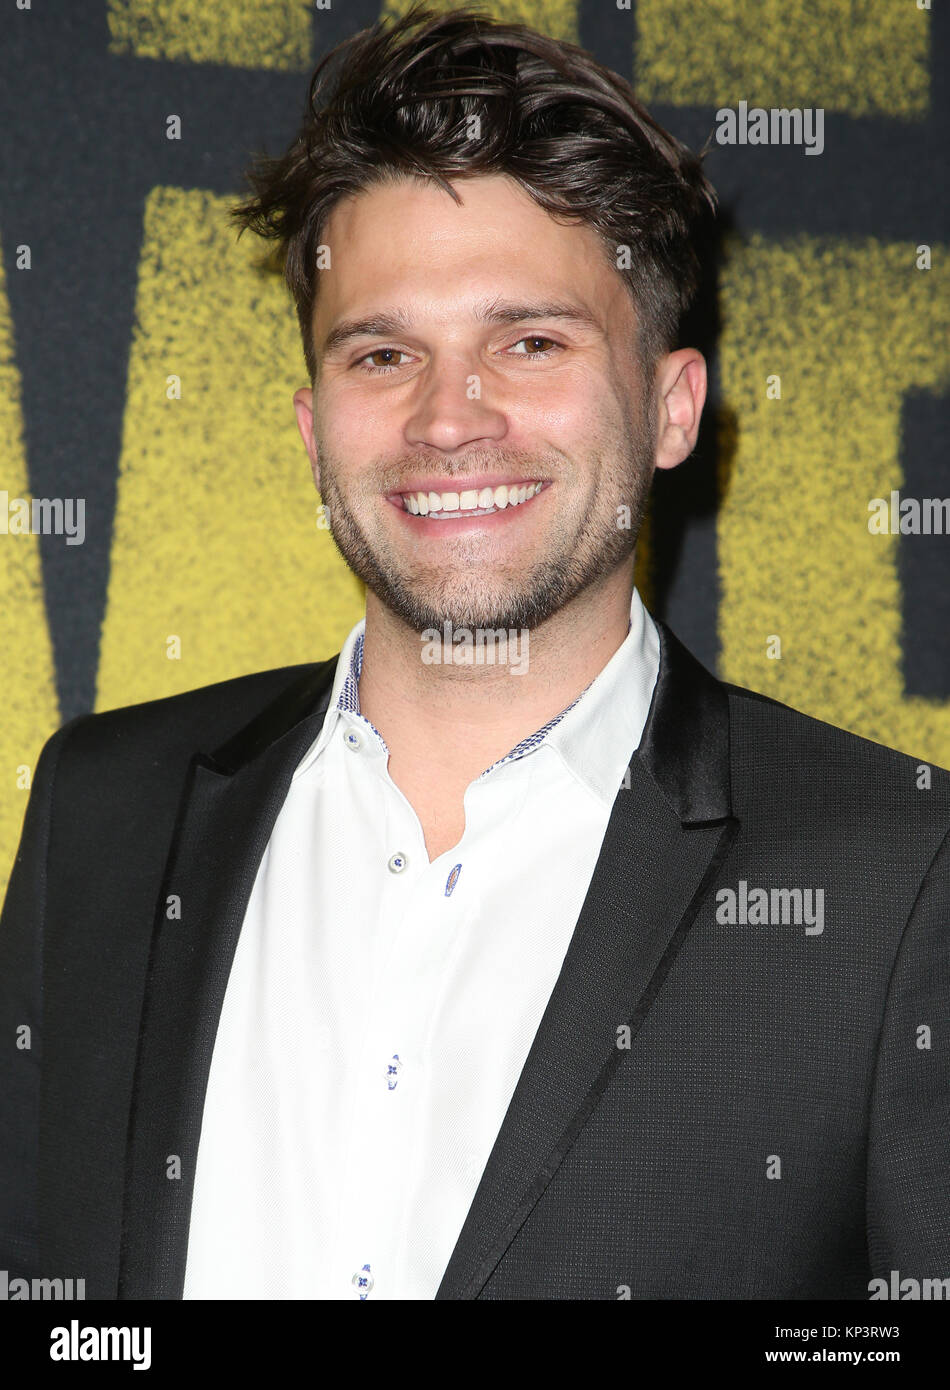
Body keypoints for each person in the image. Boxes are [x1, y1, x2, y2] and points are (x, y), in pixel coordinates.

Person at [1, 3, 948, 1302]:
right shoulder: (103, 811)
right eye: (383, 352)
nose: (450, 418)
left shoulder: (897, 876)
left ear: (672, 409)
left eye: (530, 342)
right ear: (310, 420)